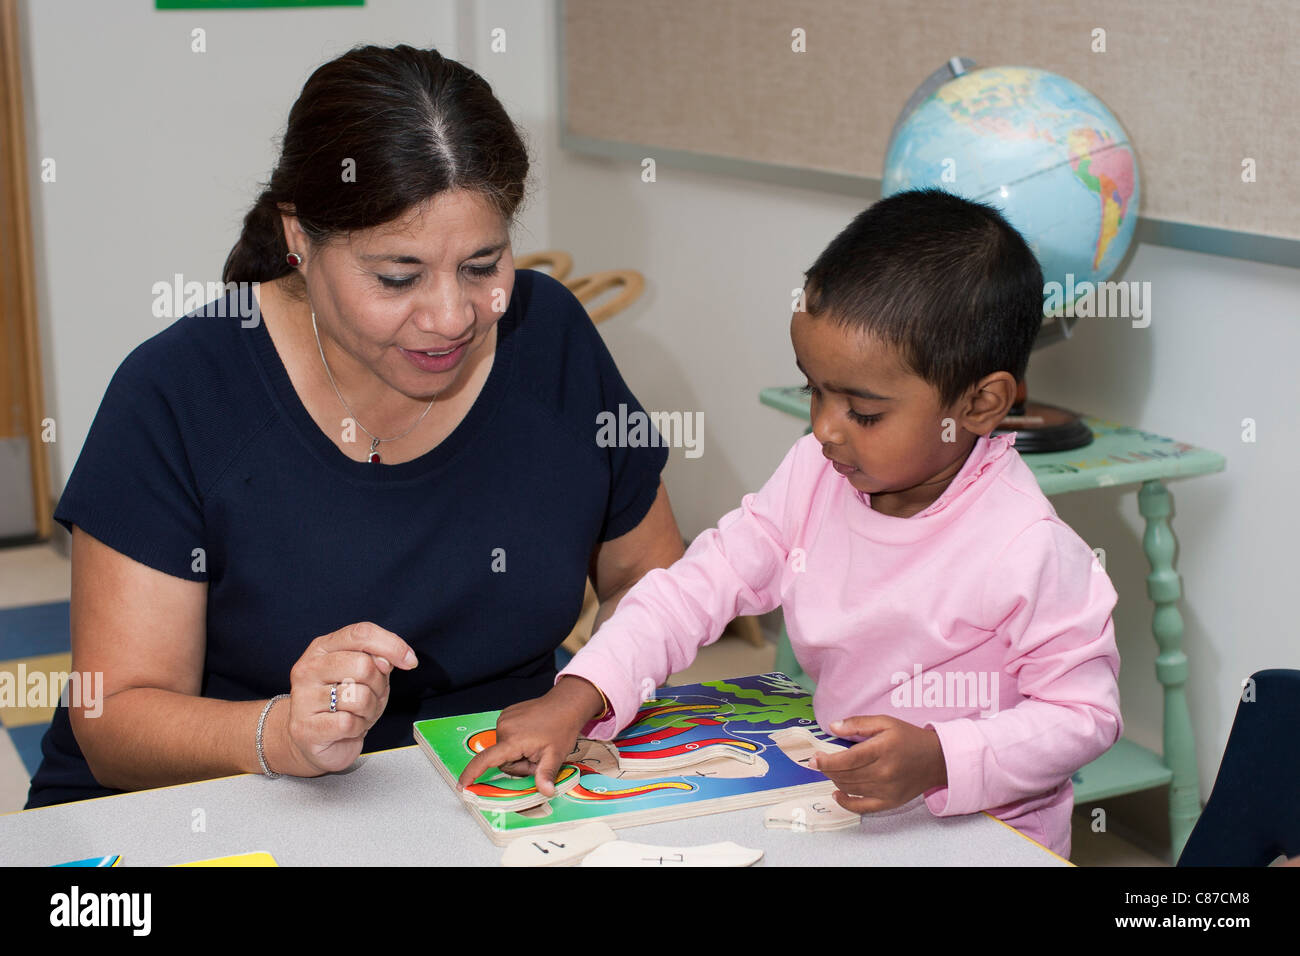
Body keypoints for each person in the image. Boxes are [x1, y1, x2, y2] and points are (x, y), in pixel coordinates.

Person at [25, 44, 683, 809]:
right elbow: (116, 722)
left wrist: (583, 692)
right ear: (298, 238)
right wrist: (281, 734)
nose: (452, 318)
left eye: (483, 264)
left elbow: (651, 579)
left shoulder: (552, 339)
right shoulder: (177, 395)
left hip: (493, 792)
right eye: (397, 277)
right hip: (226, 800)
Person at [459, 188, 1123, 860]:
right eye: (814, 388)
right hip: (850, 812)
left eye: (863, 412)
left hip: (986, 837)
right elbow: (699, 585)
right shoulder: (816, 473)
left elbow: (1084, 716)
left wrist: (940, 758)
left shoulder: (1026, 545)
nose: (824, 428)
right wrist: (582, 689)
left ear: (981, 403)